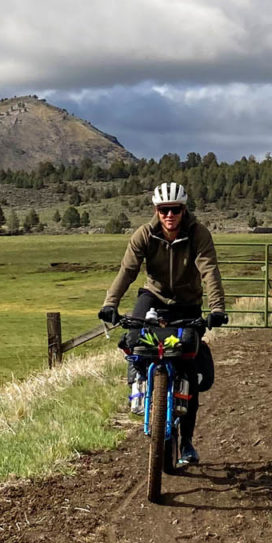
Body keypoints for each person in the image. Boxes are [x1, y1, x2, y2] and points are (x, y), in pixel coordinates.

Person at [99, 183, 228, 468]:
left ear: (184, 210)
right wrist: (110, 303)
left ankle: (187, 442)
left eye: (175, 210)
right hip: (153, 296)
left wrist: (217, 308)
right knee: (133, 336)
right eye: (163, 210)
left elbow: (209, 271)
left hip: (187, 301)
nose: (169, 215)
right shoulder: (145, 234)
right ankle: (137, 380)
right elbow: (128, 271)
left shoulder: (198, 234)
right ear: (156, 211)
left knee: (189, 365)